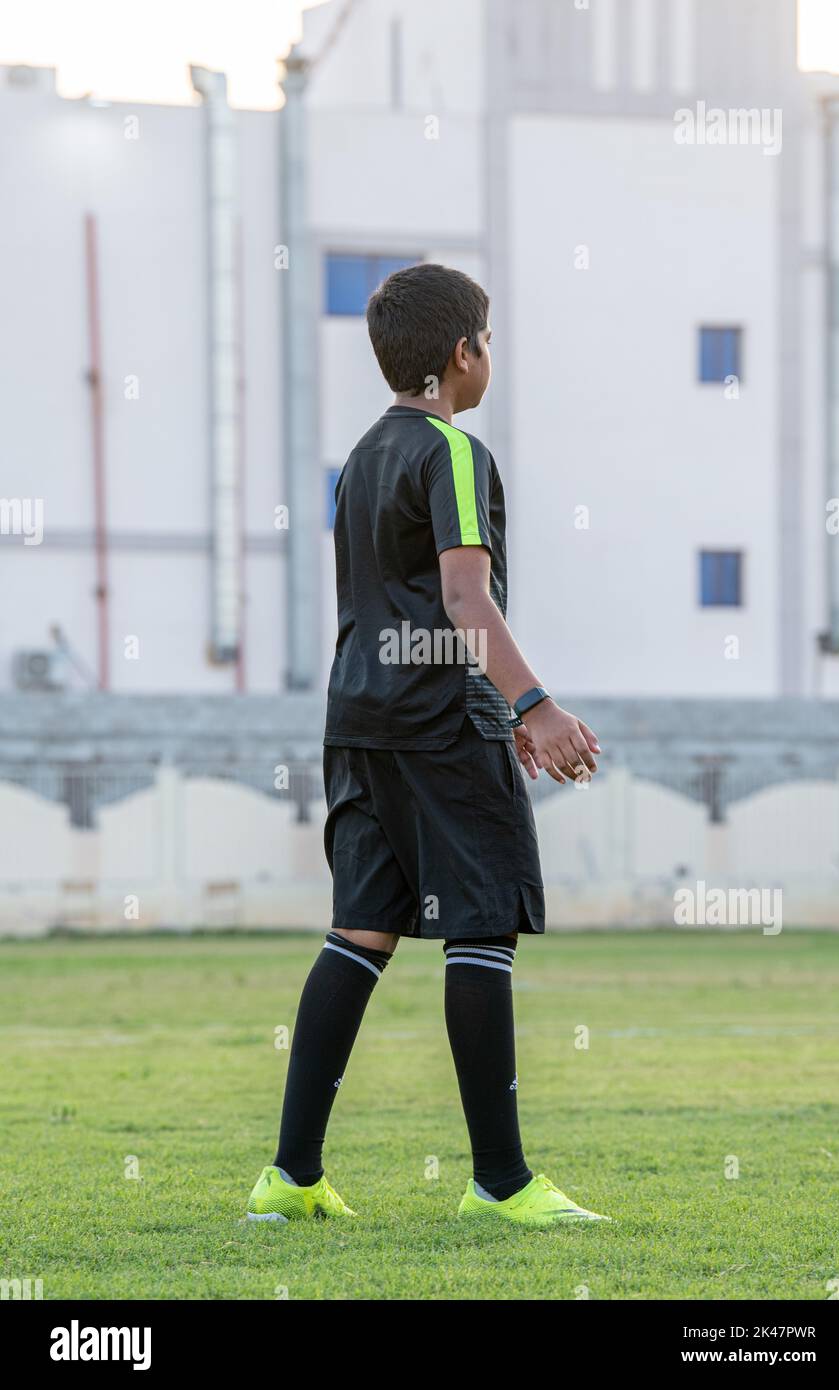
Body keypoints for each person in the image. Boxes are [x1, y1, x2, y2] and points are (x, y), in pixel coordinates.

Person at [247, 264, 609, 1228]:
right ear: (462, 354)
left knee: (360, 932)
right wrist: (532, 707)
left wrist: (502, 712)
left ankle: (290, 1177)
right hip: (437, 724)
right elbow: (460, 599)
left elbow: (391, 606)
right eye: (486, 340)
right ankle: (499, 1183)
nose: (490, 357)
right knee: (481, 928)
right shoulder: (450, 448)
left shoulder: (361, 458)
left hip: (358, 721)